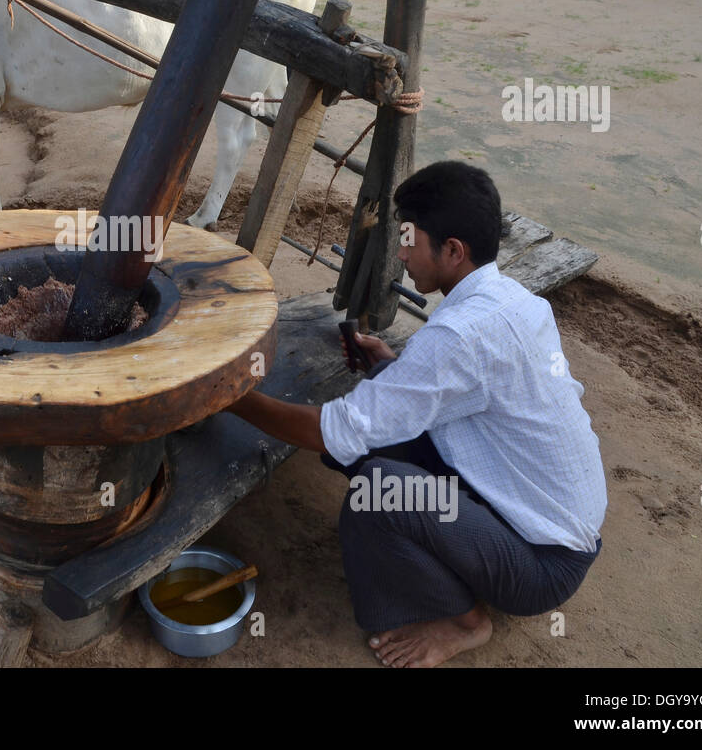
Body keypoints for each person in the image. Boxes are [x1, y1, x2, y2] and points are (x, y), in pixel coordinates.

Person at [225, 161, 606, 667]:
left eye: (409, 240)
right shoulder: (513, 300)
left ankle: (466, 622)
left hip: (542, 564)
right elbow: (468, 388)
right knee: (375, 424)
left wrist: (228, 396)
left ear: (453, 250)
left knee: (377, 490)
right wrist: (397, 369)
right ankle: (457, 556)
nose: (401, 255)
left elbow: (330, 431)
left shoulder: (461, 334)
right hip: (542, 517)